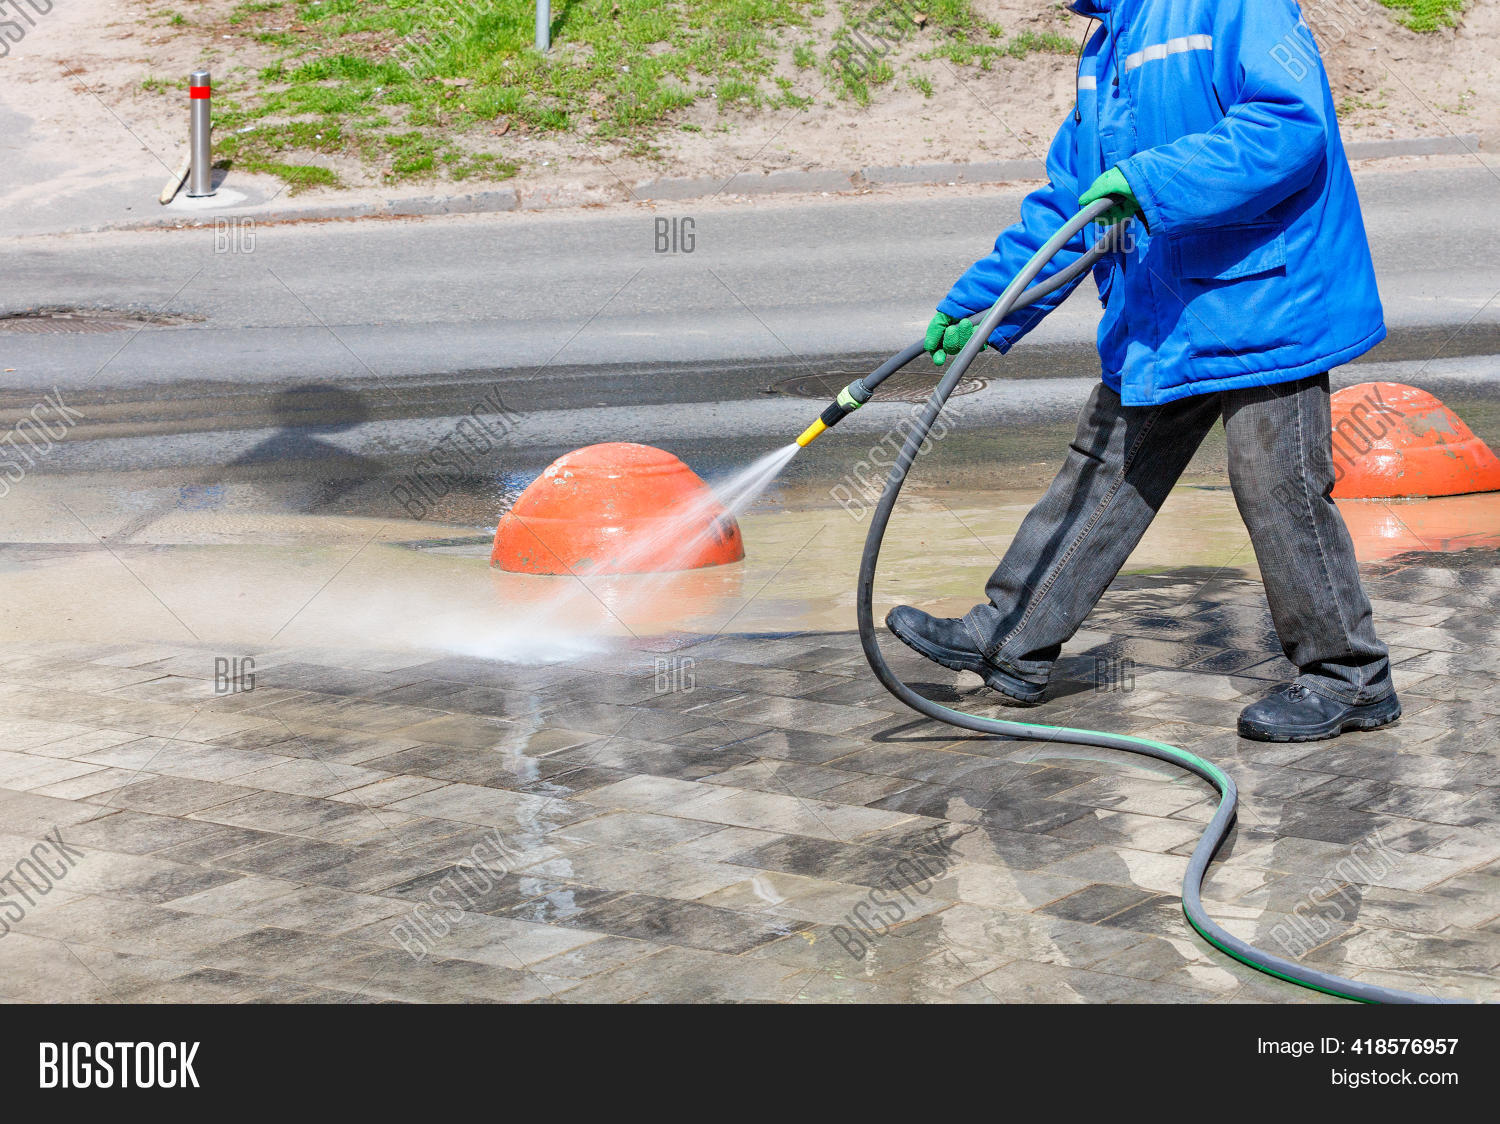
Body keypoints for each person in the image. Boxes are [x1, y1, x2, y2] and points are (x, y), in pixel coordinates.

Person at [885, 0, 1400, 743]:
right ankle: (1009, 636)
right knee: (1105, 467)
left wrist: (1150, 178)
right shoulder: (1107, 44)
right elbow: (1073, 202)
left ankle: (1349, 677)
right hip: (1169, 307)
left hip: (1266, 298)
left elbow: (1289, 128)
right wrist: (984, 307)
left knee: (1275, 483)